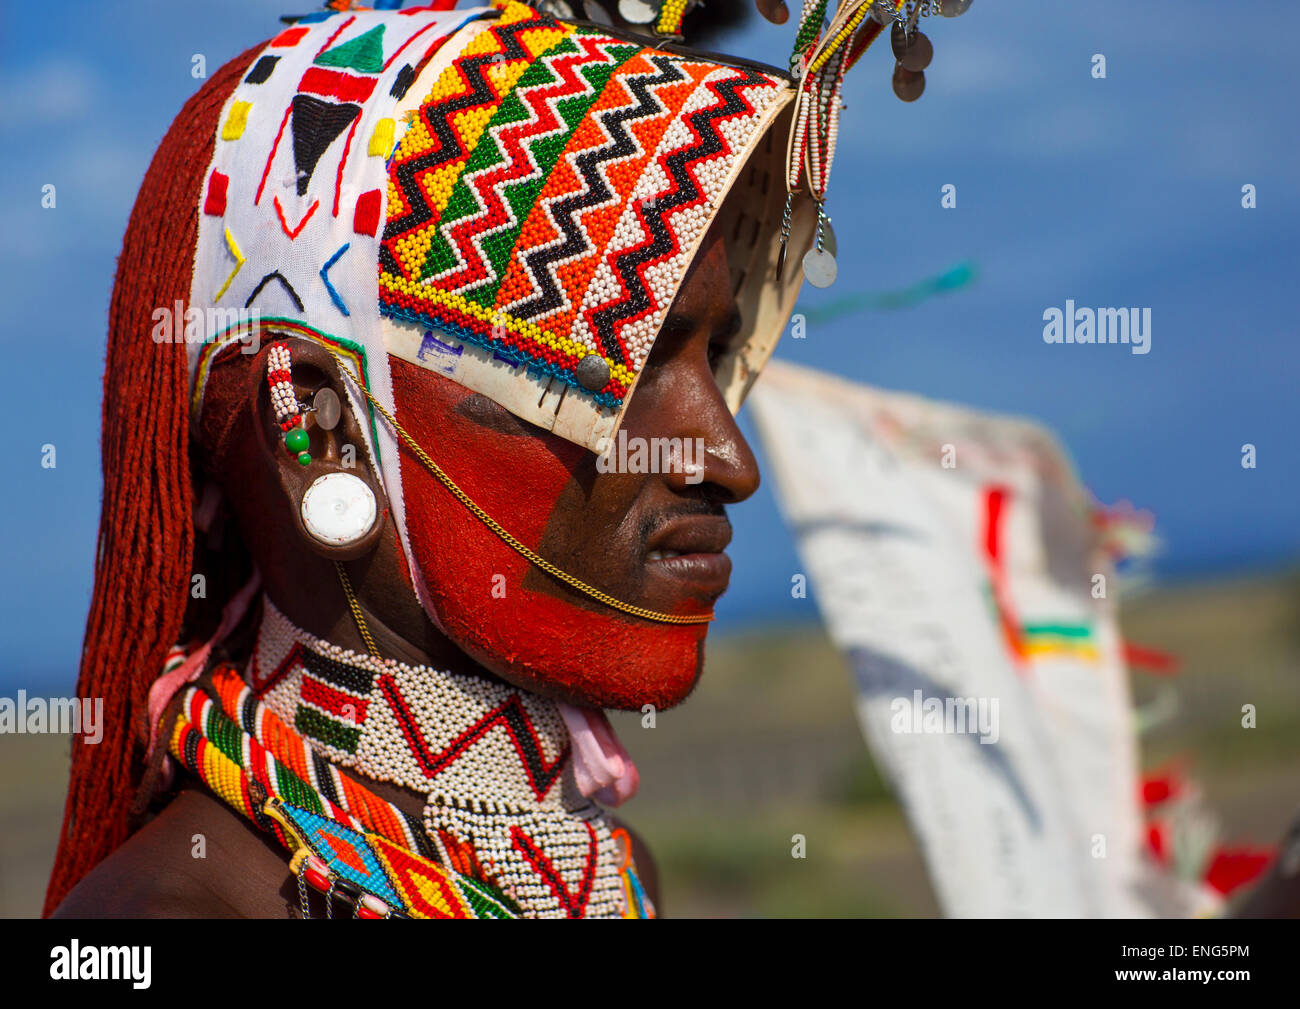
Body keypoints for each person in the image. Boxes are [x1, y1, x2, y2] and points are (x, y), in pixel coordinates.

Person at [43, 0, 854, 918]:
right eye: (617, 371)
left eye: (714, 355)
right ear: (320, 437)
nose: (727, 460)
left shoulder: (617, 881)